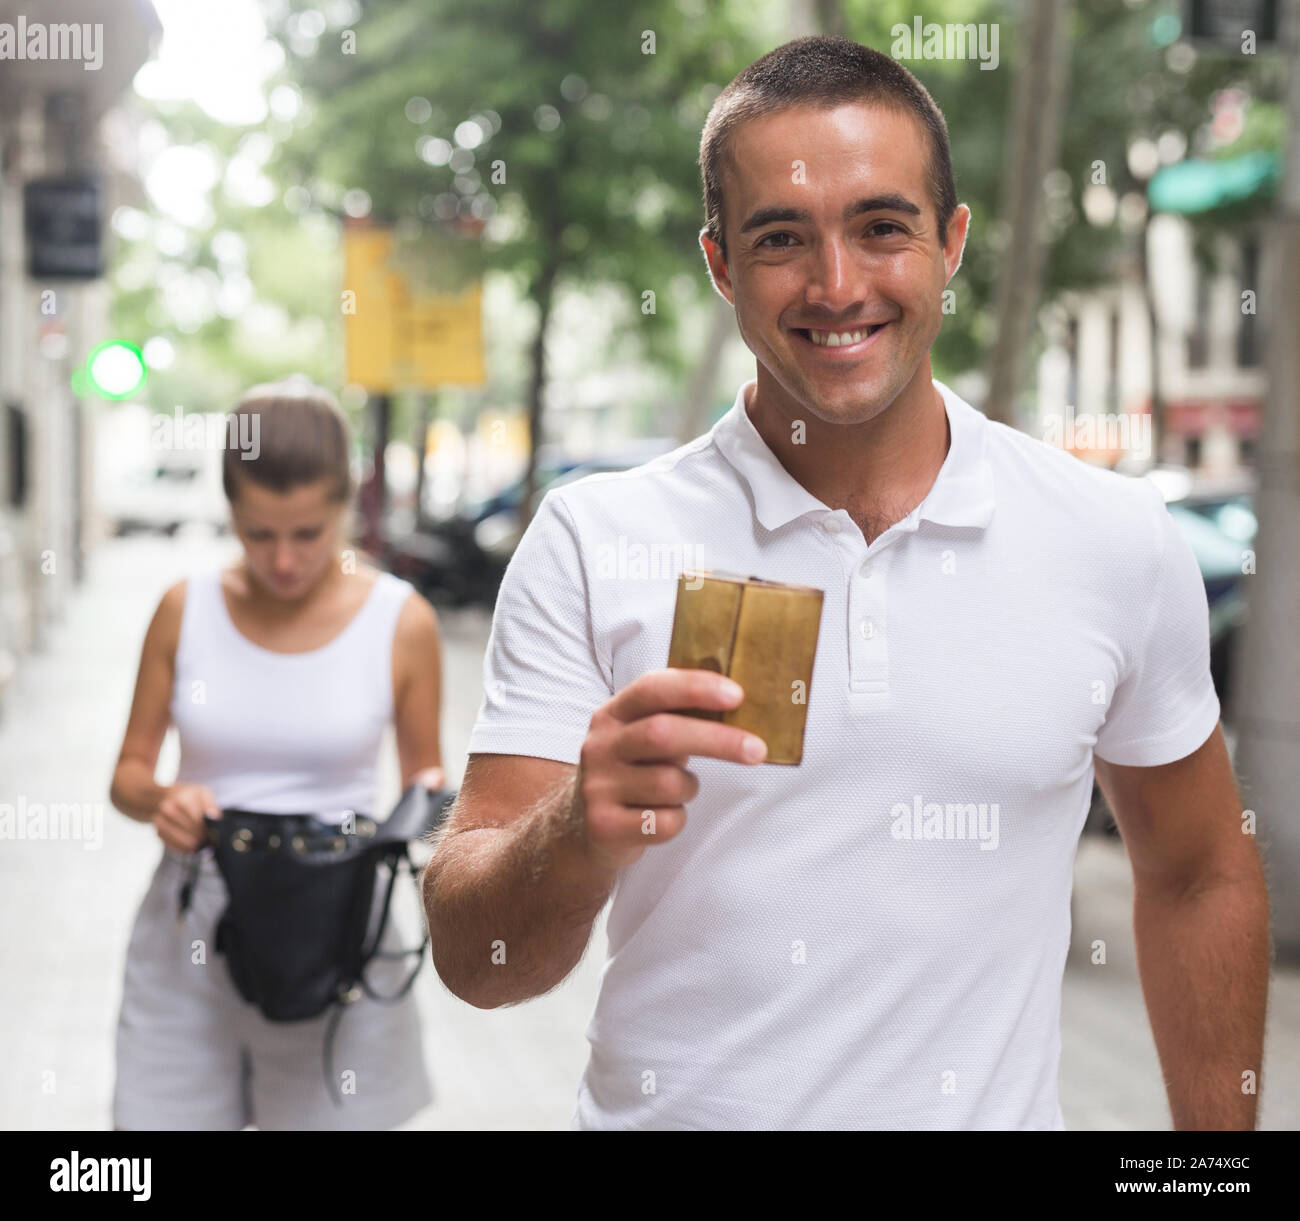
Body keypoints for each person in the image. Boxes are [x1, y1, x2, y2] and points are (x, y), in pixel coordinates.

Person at [423, 37, 1268, 1130]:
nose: (836, 286)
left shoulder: (1111, 537)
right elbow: (476, 963)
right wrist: (574, 829)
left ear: (951, 242)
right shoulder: (596, 538)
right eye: (781, 238)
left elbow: (1200, 872)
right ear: (721, 264)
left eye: (881, 227)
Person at [109, 377, 444, 1130]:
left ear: (346, 506)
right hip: (195, 922)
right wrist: (164, 799)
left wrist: (429, 815)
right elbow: (127, 774)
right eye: (259, 534)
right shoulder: (182, 608)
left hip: (338, 923)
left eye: (308, 533)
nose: (284, 560)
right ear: (229, 508)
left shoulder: (402, 619)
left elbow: (429, 781)